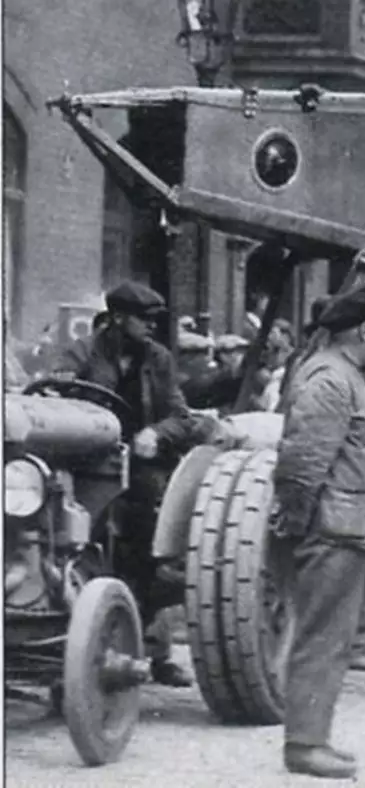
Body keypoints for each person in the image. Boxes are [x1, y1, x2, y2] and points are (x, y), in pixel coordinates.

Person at [49, 281, 215, 687]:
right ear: (119, 319)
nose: (152, 327)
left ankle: (155, 651)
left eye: (155, 320)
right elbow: (55, 394)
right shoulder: (82, 352)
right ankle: (65, 644)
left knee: (146, 540)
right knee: (62, 536)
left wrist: (156, 434)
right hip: (85, 465)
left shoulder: (158, 359)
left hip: (140, 465)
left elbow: (181, 416)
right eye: (145, 320)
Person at [269, 282, 365, 779]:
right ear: (363, 328)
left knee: (333, 640)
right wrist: (297, 526)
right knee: (320, 639)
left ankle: (314, 737)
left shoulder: (344, 374)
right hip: (331, 532)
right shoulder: (329, 379)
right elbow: (302, 464)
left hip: (347, 529)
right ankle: (303, 744)